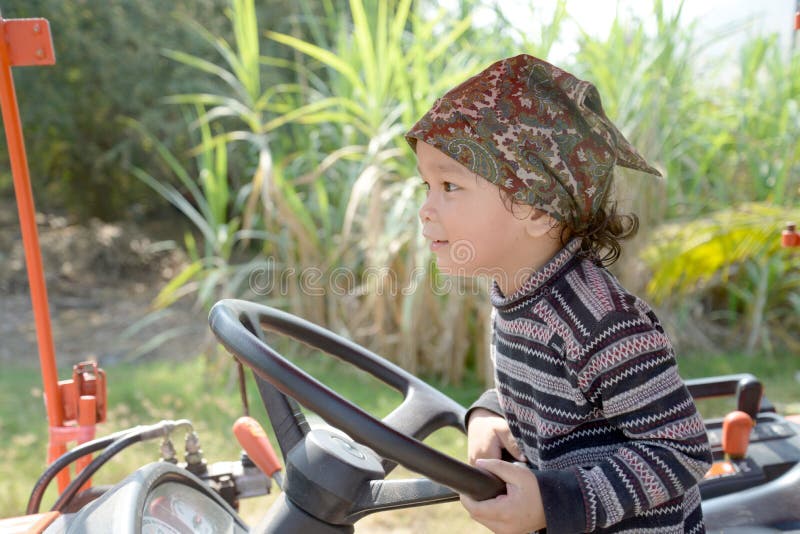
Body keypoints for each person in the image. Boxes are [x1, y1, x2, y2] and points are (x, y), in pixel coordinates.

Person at [406, 54, 712, 533]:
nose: (425, 209)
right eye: (426, 185)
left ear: (539, 211)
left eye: (449, 185)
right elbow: (549, 395)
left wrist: (554, 502)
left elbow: (681, 448)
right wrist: (489, 414)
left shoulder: (603, 322)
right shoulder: (517, 294)